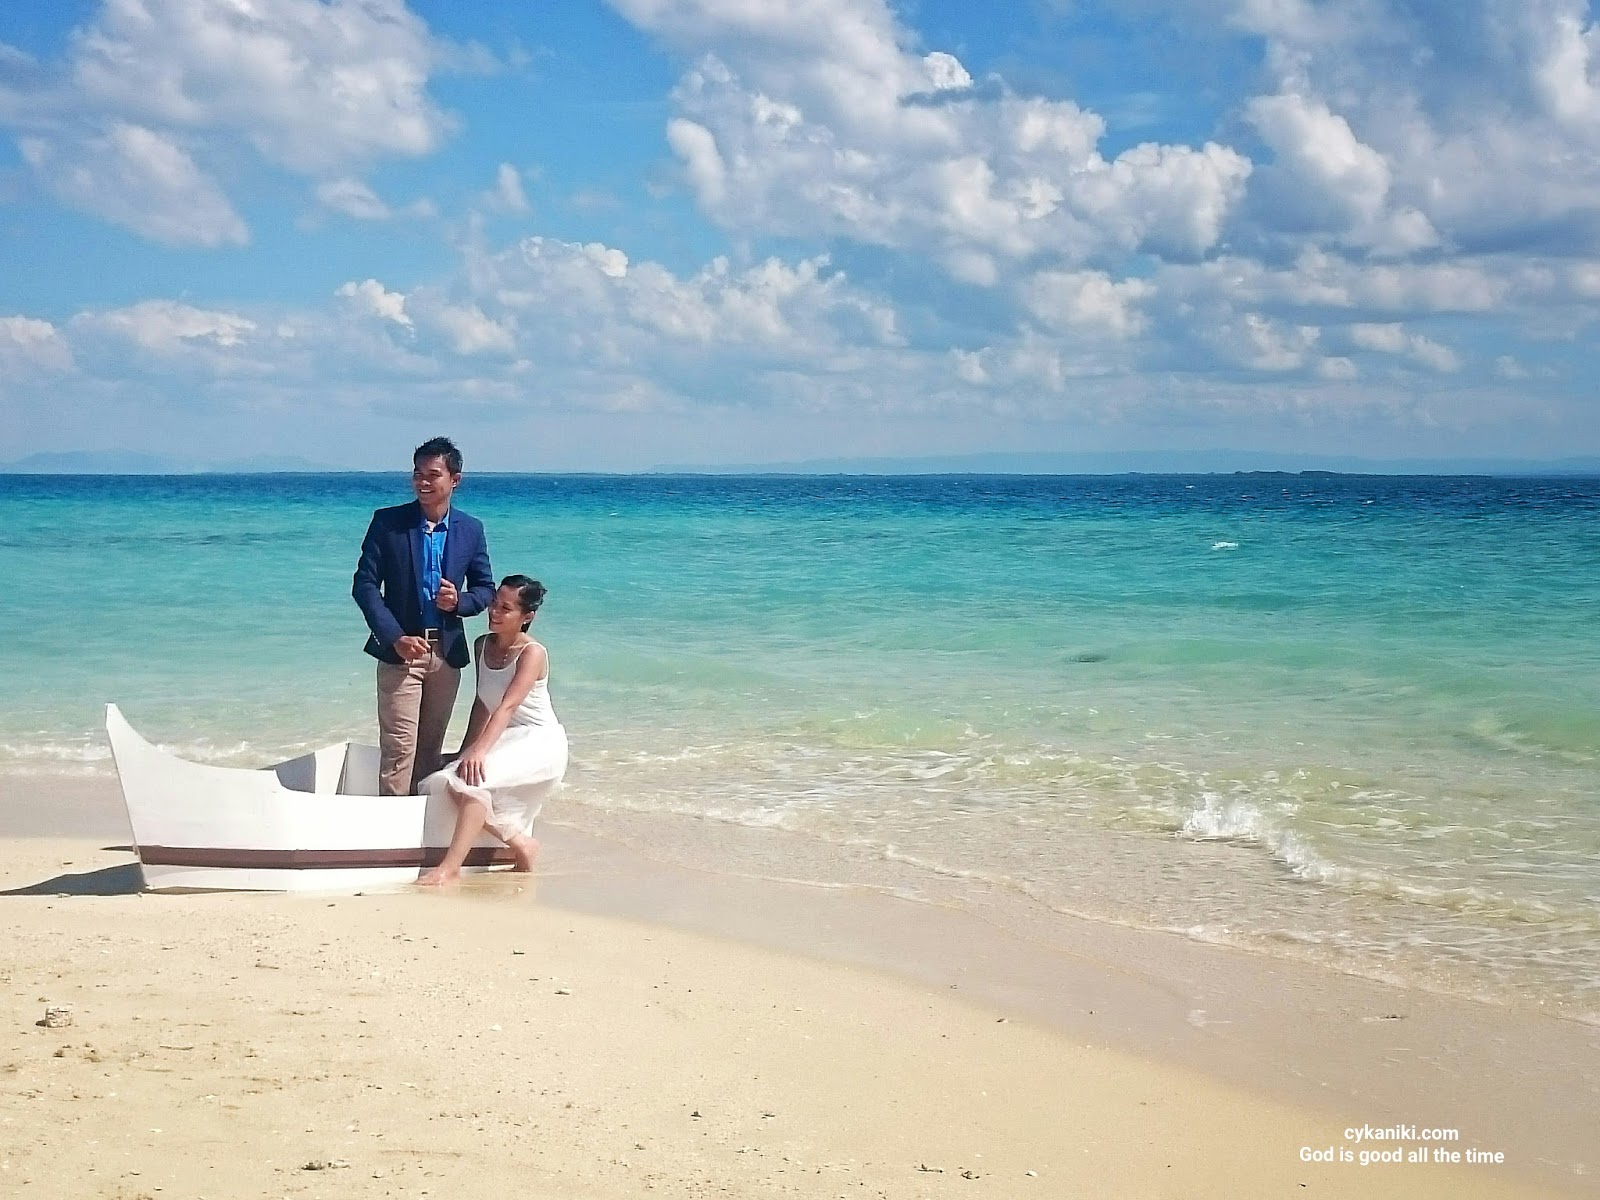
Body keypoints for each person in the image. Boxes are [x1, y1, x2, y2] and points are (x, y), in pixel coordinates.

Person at [352, 437, 495, 797]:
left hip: (446, 654)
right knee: (399, 749)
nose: (423, 482)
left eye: (433, 475)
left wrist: (459, 602)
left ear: (455, 480)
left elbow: (485, 589)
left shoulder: (470, 529)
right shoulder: (388, 523)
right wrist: (394, 637)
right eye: (418, 474)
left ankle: (422, 823)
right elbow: (365, 585)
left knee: (429, 751)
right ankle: (391, 828)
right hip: (401, 653)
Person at [416, 575, 568, 886]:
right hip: (506, 736)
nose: (495, 612)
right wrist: (467, 750)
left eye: (506, 609)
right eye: (494, 604)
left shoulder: (533, 653)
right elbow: (483, 704)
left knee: (470, 784)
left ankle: (450, 868)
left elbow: (507, 706)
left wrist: (481, 752)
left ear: (527, 616)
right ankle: (521, 843)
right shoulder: (482, 644)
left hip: (540, 741)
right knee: (448, 780)